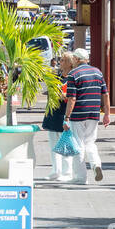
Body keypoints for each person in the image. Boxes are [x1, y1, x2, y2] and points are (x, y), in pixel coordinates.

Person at [64, 47, 109, 183]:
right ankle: (96, 164)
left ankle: (80, 177)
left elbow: (72, 98)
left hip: (78, 114)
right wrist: (107, 114)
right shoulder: (98, 72)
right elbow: (105, 94)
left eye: (74, 58)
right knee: (90, 142)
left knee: (78, 144)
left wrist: (67, 117)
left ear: (77, 59)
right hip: (94, 113)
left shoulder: (73, 74)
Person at [41, 52, 75, 181]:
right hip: (53, 113)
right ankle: (56, 170)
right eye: (61, 60)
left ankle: (68, 172)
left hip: (64, 114)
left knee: (65, 143)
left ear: (70, 63)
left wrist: (62, 95)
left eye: (64, 60)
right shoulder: (57, 77)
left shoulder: (72, 78)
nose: (61, 62)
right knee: (53, 144)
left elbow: (72, 97)